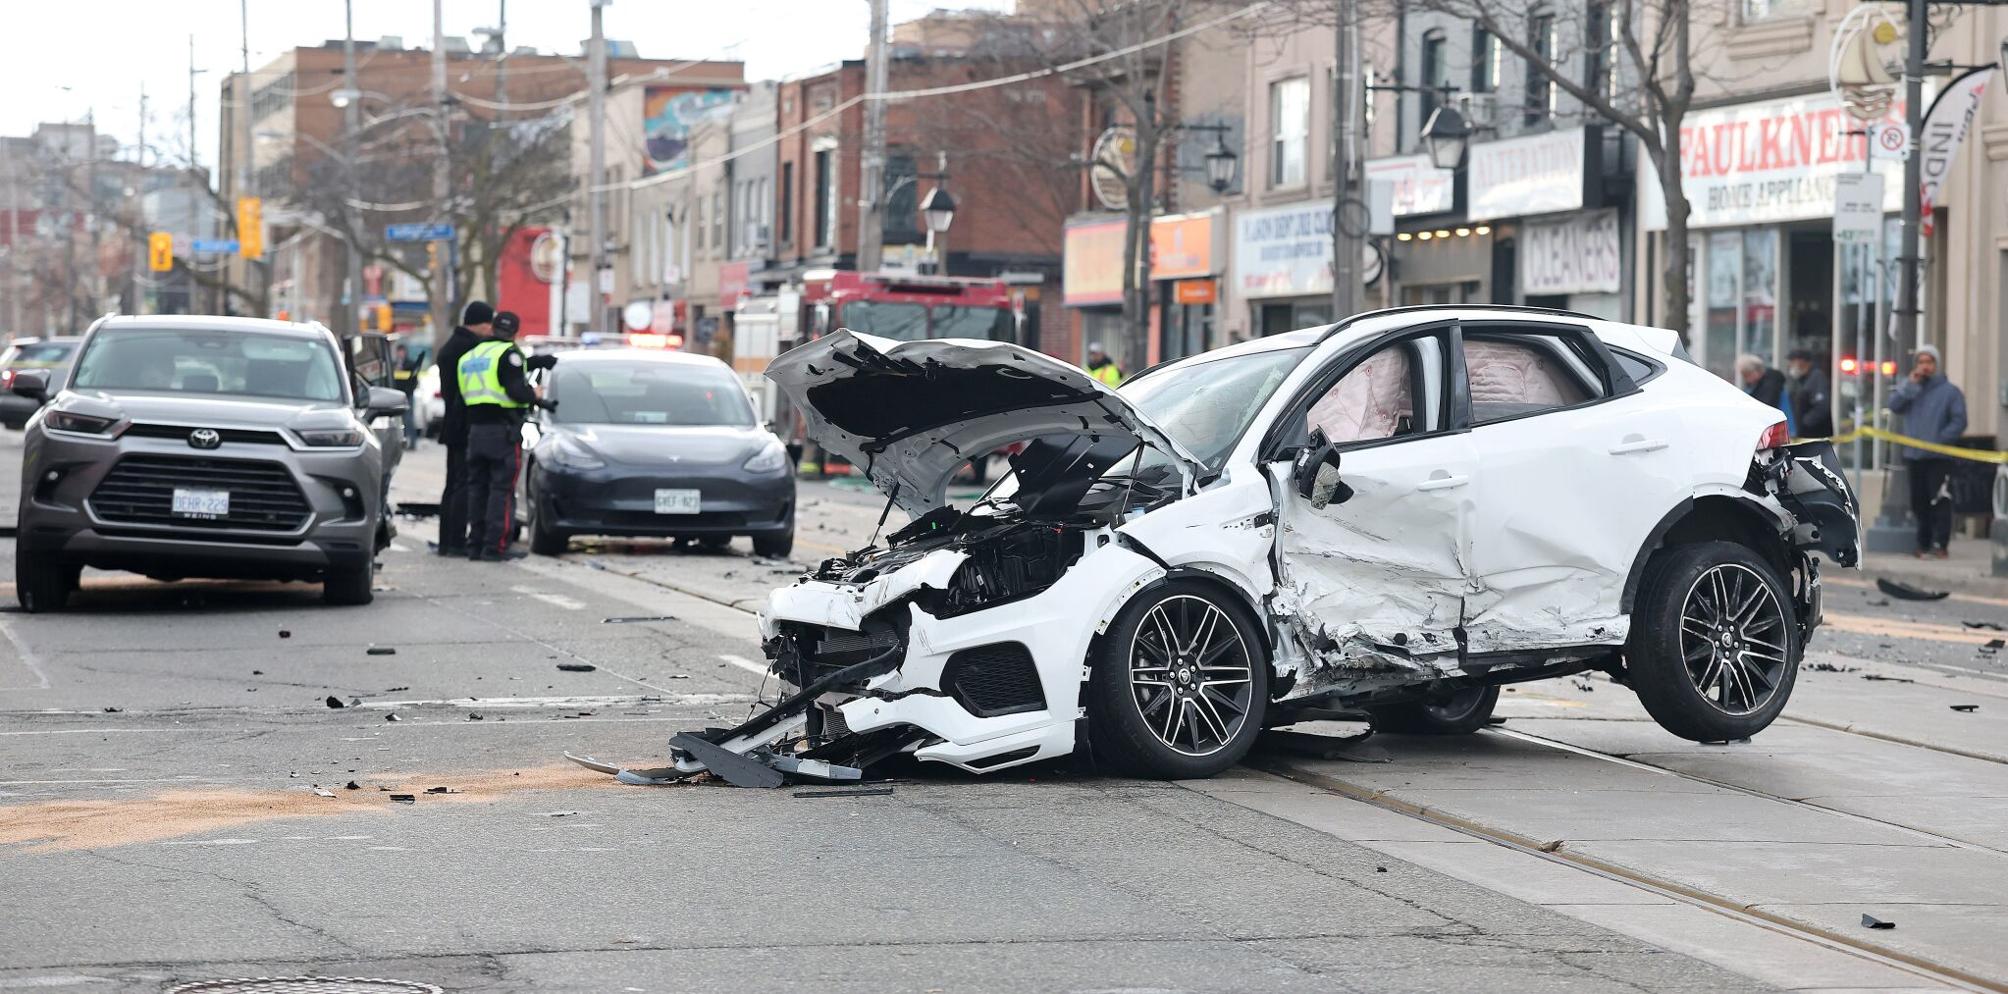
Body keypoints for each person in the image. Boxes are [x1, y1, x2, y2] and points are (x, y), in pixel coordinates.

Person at [458, 311, 556, 561]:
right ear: (514, 332)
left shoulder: (471, 357)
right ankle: (496, 546)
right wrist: (534, 396)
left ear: (492, 329)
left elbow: (497, 377)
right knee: (501, 490)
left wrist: (537, 362)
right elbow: (514, 389)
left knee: (478, 489)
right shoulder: (509, 353)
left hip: (475, 432)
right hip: (501, 432)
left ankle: (475, 545)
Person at [1888, 344, 1968, 559]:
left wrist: (1939, 440)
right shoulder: (1912, 389)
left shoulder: (1950, 392)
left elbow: (1959, 421)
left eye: (1929, 362)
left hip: (1938, 457)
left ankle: (1940, 543)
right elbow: (1894, 406)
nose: (1925, 366)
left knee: (1939, 500)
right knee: (1919, 501)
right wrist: (1910, 385)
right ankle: (1923, 544)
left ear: (1936, 364)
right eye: (1921, 362)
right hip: (1914, 456)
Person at [433, 302, 494, 557]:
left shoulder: (451, 346)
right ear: (480, 323)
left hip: (451, 424)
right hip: (465, 424)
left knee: (452, 485)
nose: (491, 330)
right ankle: (457, 540)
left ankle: (448, 539)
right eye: (489, 324)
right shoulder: (470, 349)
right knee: (463, 485)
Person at [1735, 353, 1794, 434]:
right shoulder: (1757, 385)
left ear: (1755, 372)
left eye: (1746, 375)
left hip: (1780, 428)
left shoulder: (1771, 384)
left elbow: (1765, 406)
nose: (1746, 379)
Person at [1785, 349, 1833, 438]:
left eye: (1792, 361)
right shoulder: (1799, 380)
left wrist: (1805, 423)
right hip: (1804, 433)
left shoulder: (1817, 377)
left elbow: (1822, 406)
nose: (1789, 365)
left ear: (1802, 361)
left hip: (1815, 433)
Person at [391, 343, 421, 448]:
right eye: (398, 352)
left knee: (409, 419)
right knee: (399, 420)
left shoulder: (410, 365)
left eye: (402, 351)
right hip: (397, 395)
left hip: (408, 395)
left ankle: (412, 443)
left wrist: (410, 391)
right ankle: (402, 442)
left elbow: (414, 380)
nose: (400, 354)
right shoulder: (393, 365)